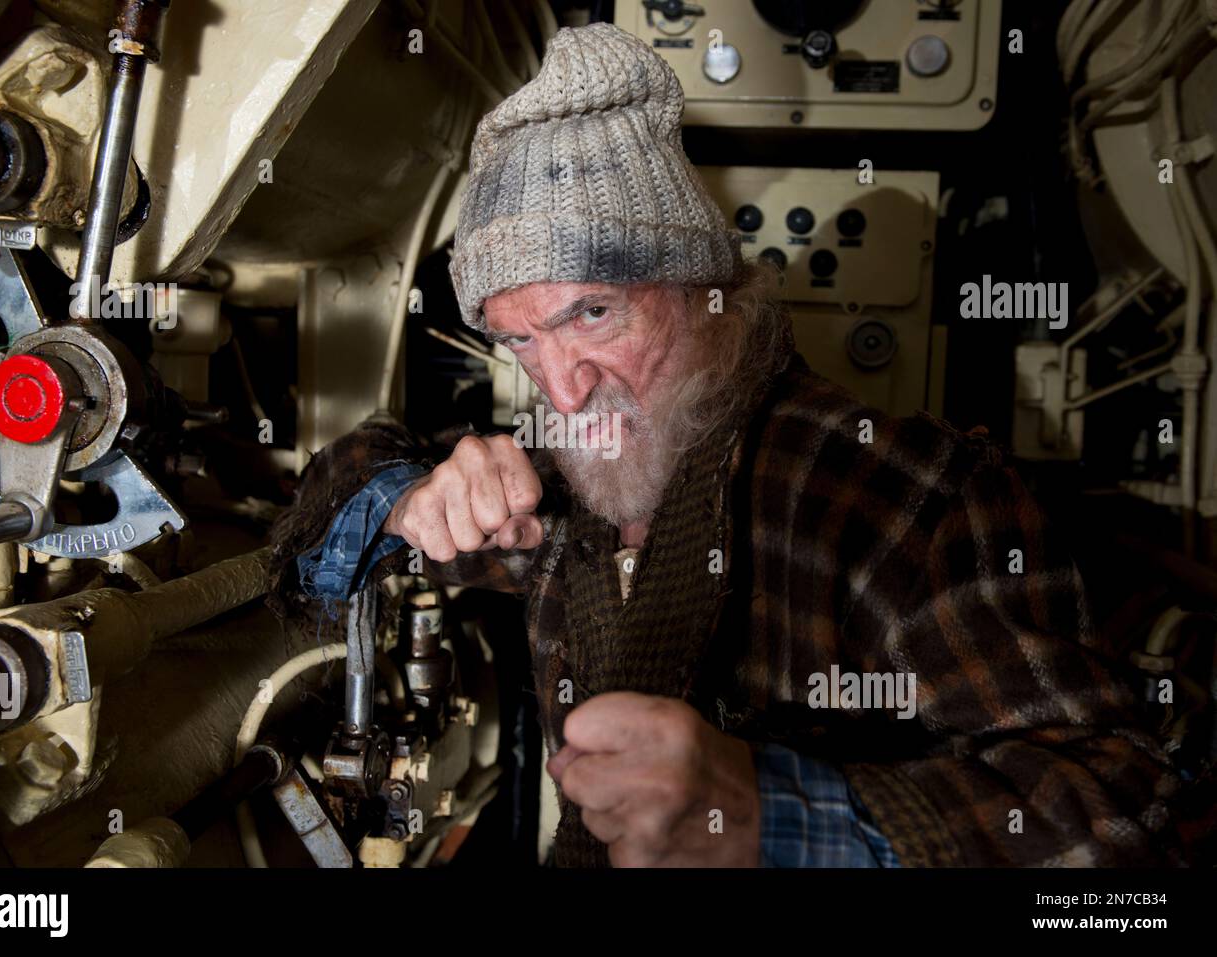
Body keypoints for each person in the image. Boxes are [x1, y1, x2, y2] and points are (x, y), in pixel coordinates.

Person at [268, 22, 1180, 868]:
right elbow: (334, 486)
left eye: (591, 313)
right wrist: (410, 492)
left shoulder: (907, 495)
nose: (561, 387)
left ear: (706, 288)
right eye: (521, 341)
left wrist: (772, 812)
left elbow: (1118, 800)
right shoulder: (567, 482)